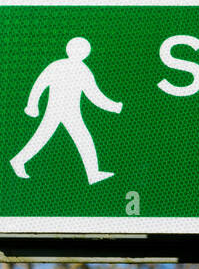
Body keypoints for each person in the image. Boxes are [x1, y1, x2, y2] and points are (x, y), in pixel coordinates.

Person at [10, 37, 121, 185]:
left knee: (79, 138)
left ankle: (93, 173)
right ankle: (18, 161)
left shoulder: (77, 69)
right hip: (58, 110)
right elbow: (40, 84)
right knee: (46, 138)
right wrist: (32, 105)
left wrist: (113, 106)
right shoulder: (67, 67)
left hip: (69, 112)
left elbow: (94, 94)